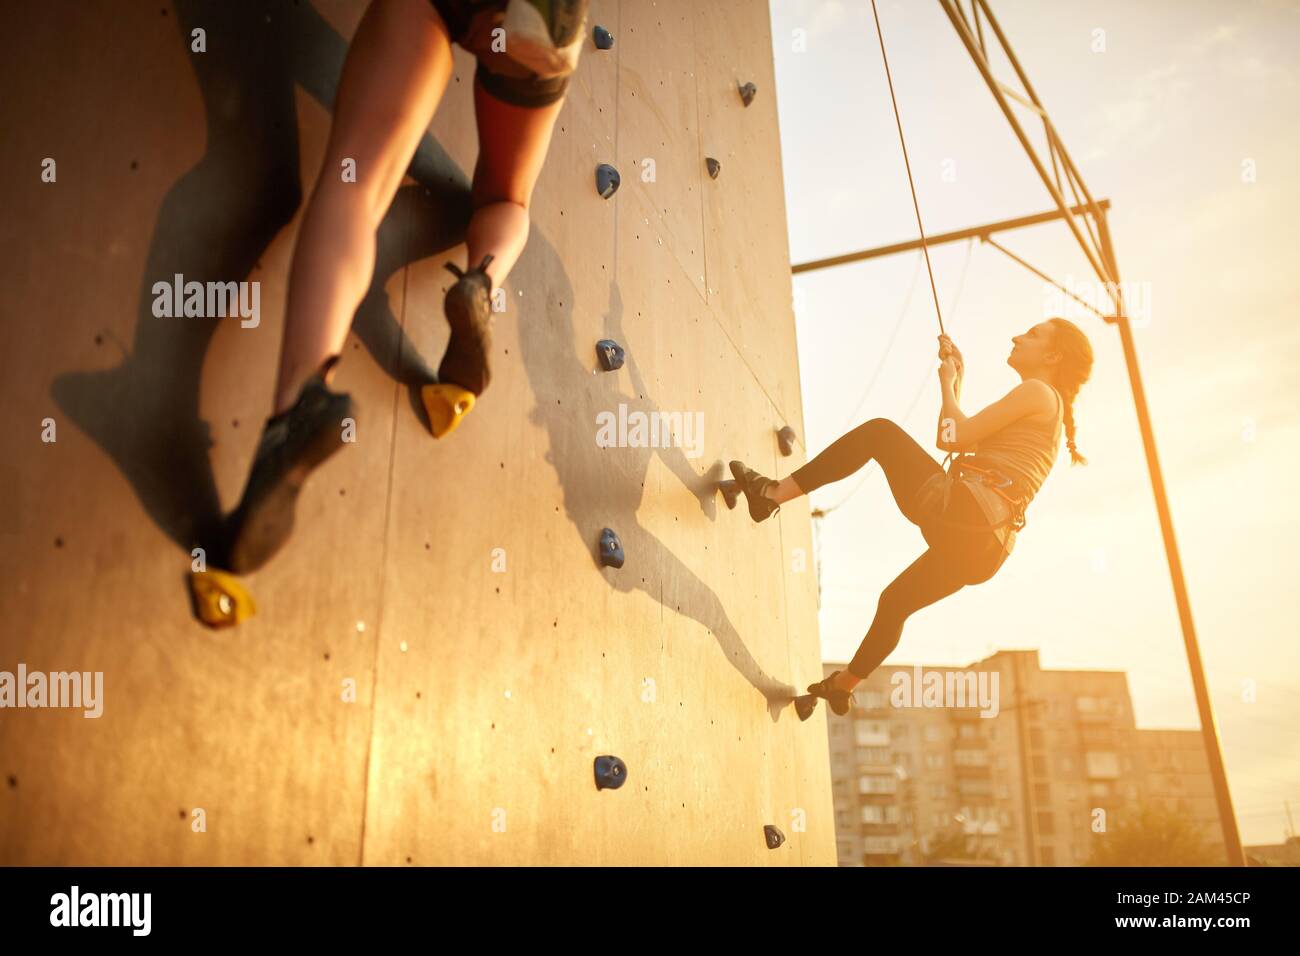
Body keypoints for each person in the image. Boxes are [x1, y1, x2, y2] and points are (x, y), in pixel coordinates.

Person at [224, 0, 589, 573]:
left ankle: (299, 402)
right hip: (541, 21)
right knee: (506, 199)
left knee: (356, 186)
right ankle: (480, 280)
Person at [729, 318, 1094, 715]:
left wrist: (947, 382)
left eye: (1033, 334)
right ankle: (844, 684)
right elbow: (953, 433)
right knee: (895, 602)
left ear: (1053, 356)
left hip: (965, 513)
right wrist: (955, 382)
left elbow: (952, 438)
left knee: (879, 434)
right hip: (987, 548)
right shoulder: (1048, 410)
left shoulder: (1036, 392)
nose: (1017, 336)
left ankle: (770, 495)